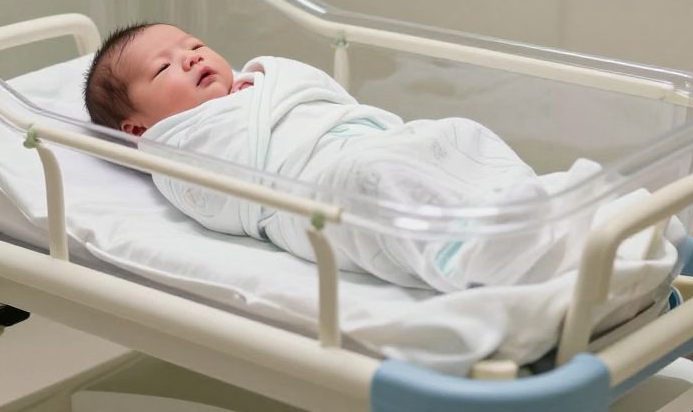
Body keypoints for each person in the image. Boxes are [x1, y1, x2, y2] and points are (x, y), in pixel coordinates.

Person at [85, 22, 600, 292]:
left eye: (192, 44)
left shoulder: (261, 83)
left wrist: (260, 85)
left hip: (373, 138)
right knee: (375, 178)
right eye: (164, 68)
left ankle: (537, 203)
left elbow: (327, 101)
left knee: (457, 133)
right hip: (321, 190)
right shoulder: (178, 154)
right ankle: (476, 253)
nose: (191, 57)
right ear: (140, 130)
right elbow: (227, 199)